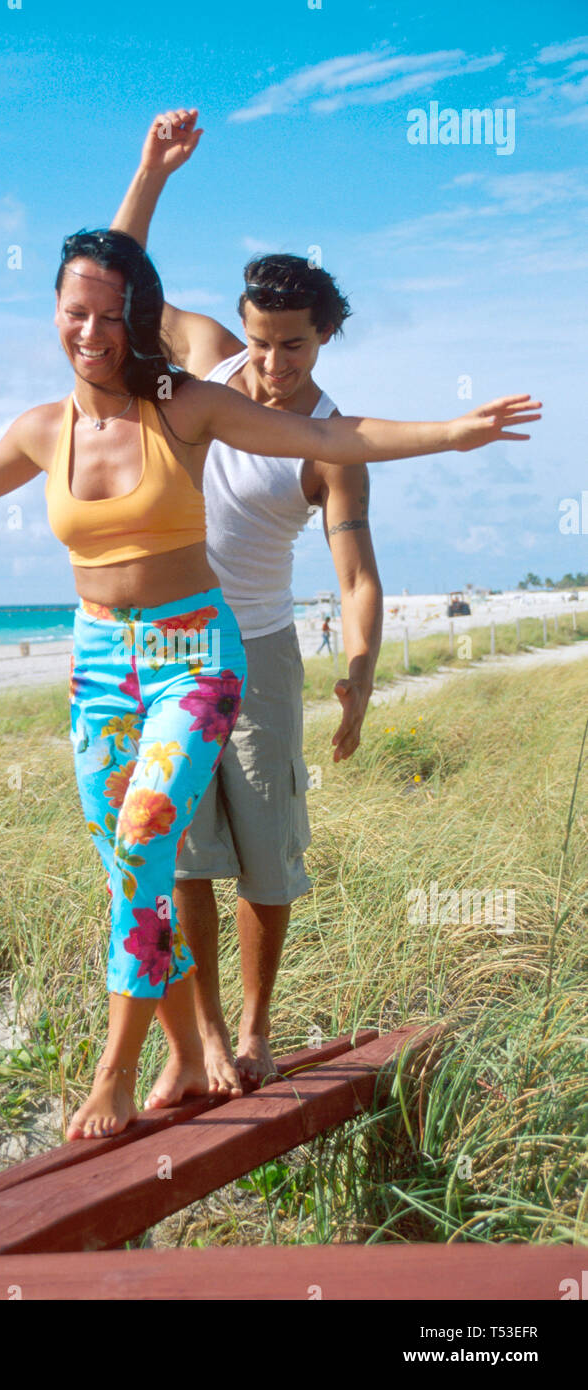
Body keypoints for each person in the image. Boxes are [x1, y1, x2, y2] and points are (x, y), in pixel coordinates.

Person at [0, 227, 539, 1141]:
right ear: (55, 316)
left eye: (110, 316)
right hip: (99, 660)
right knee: (135, 870)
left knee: (146, 837)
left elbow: (327, 434)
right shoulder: (40, 427)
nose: (92, 332)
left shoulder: (184, 405)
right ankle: (186, 1047)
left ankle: (115, 1070)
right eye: (75, 313)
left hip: (199, 656)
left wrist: (451, 434)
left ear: (137, 320)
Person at [107, 108, 534, 1102]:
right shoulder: (209, 353)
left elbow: (360, 577)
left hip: (255, 654)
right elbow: (118, 278)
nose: (267, 365)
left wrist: (361, 676)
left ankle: (256, 1028)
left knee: (264, 859)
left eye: (290, 348)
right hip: (167, 643)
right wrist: (151, 172)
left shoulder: (328, 447)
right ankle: (203, 1034)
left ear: (325, 334)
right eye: (259, 343)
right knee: (181, 850)